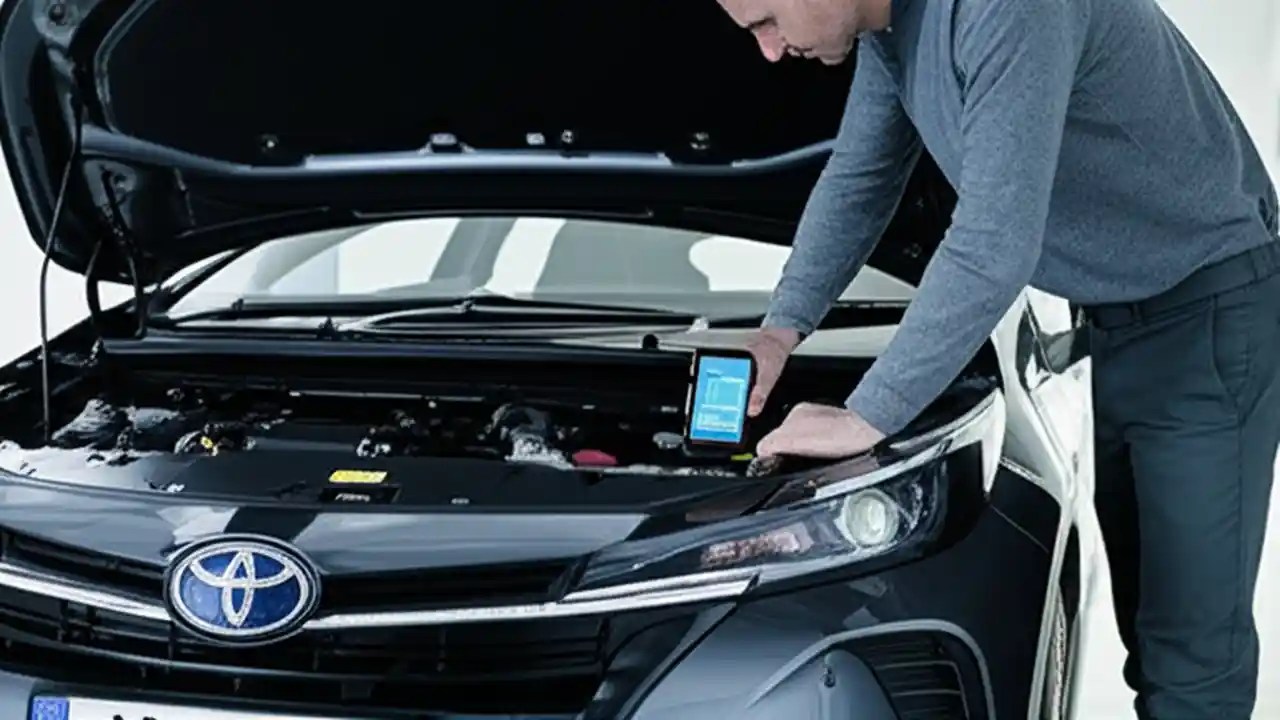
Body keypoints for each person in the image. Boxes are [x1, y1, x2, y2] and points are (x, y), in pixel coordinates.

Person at [715, 0, 1280, 717]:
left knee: (1193, 664)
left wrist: (867, 416)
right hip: (1124, 318)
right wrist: (781, 329)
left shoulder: (1009, 9)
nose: (768, 50)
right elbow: (861, 178)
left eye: (765, 19)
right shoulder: (888, 28)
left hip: (1207, 313)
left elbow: (993, 242)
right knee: (1150, 633)